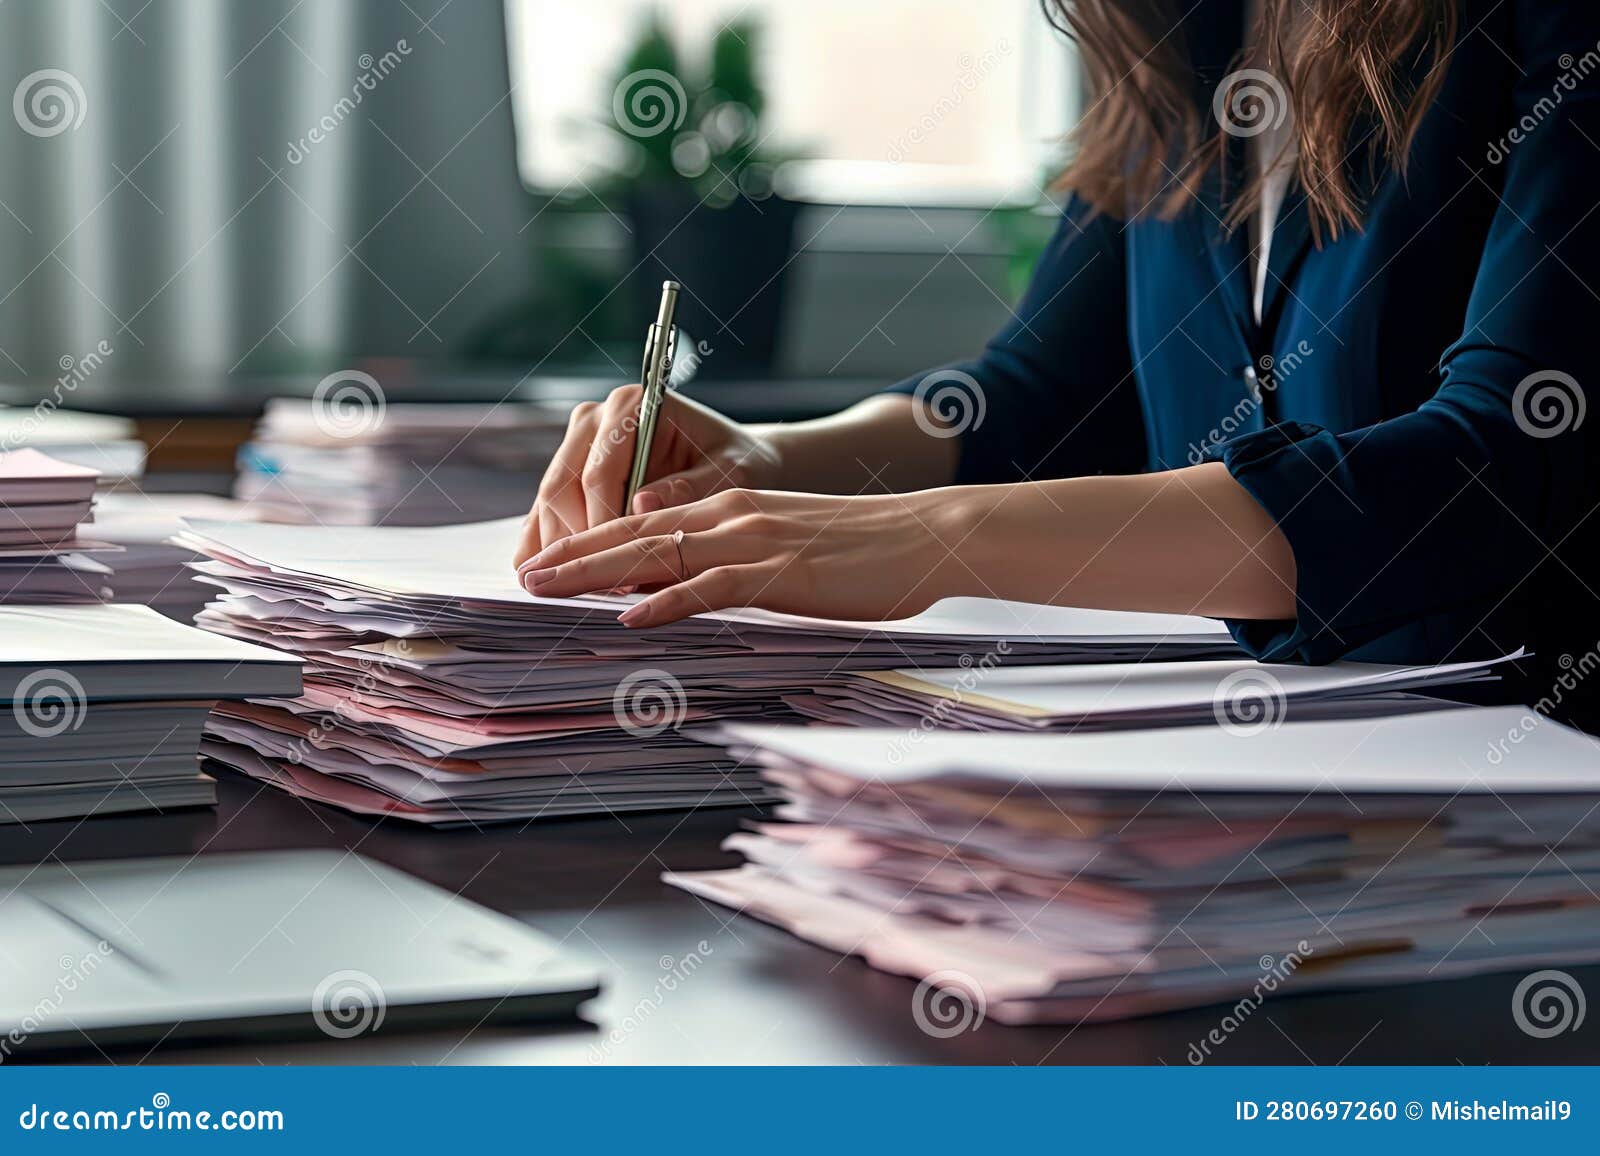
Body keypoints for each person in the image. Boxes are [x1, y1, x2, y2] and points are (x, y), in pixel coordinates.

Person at [515, 0, 1600, 726]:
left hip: (1516, 813)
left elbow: (1494, 470)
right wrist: (766, 459)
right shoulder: (1178, 40)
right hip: (1248, 784)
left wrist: (929, 541)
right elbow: (1038, 401)